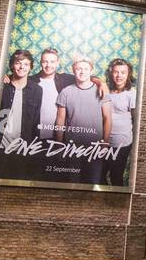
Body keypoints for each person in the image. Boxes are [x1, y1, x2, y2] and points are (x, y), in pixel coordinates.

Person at [54, 57, 113, 184]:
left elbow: (107, 118)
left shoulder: (101, 90)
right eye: (78, 69)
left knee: (93, 182)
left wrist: (105, 143)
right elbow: (60, 121)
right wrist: (59, 145)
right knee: (72, 183)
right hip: (73, 148)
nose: (82, 72)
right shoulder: (66, 92)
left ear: (91, 71)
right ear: (73, 71)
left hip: (95, 147)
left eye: (86, 69)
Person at [0, 49, 43, 178]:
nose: (22, 67)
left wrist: (33, 149)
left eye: (26, 64)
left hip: (23, 148)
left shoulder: (37, 90)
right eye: (18, 63)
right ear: (12, 65)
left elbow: (36, 121)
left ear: (31, 67)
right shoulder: (2, 85)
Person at [103, 58, 137, 187]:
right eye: (116, 72)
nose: (119, 76)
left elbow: (135, 119)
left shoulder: (131, 93)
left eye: (123, 72)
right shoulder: (106, 91)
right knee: (99, 175)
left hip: (122, 143)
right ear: (111, 73)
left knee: (116, 176)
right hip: (104, 141)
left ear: (128, 74)